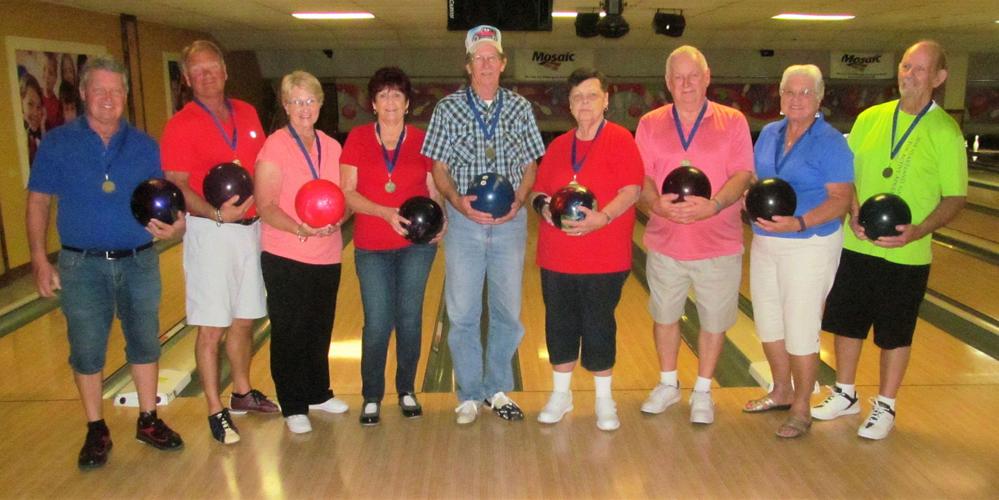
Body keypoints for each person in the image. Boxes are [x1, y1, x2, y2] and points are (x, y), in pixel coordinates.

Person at [26, 55, 185, 469]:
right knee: (87, 348)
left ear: (127, 95)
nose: (109, 98)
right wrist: (40, 260)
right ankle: (96, 428)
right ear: (82, 93)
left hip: (139, 260)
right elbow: (38, 201)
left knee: (146, 341)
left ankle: (148, 419)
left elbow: (166, 201)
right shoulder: (58, 143)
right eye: (100, 90)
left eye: (116, 91)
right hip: (82, 265)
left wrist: (176, 227)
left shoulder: (146, 145)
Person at [816, 40, 967, 440]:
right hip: (857, 243)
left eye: (920, 69)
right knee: (846, 322)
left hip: (908, 252)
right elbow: (847, 176)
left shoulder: (946, 132)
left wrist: (918, 230)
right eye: (905, 66)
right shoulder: (869, 118)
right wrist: (852, 209)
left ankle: (886, 405)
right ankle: (845, 392)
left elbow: (956, 197)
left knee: (894, 332)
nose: (909, 75)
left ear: (939, 77)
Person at [422, 25, 545, 425]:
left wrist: (520, 202)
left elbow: (531, 164)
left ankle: (496, 388)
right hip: (464, 224)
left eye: (493, 57)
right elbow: (438, 167)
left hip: (509, 225)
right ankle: (470, 393)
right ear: (468, 65)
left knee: (508, 313)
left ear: (503, 63)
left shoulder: (521, 108)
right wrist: (456, 200)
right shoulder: (447, 108)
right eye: (479, 57)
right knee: (462, 313)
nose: (487, 64)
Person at [162, 40, 277, 445]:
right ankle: (215, 408)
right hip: (210, 232)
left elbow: (264, 165)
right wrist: (214, 213)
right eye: (198, 71)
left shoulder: (246, 112)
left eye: (213, 68)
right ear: (188, 79)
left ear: (225, 72)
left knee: (245, 319)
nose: (207, 76)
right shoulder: (180, 124)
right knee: (212, 327)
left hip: (250, 230)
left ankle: (242, 392)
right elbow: (177, 184)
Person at [635, 45, 754, 425]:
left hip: (718, 240)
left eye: (693, 76)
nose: (686, 84)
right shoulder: (651, 122)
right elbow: (643, 177)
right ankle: (668, 384)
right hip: (666, 240)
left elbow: (742, 175)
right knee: (665, 316)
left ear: (707, 77)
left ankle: (703, 390)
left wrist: (715, 204)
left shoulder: (732, 120)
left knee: (714, 321)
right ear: (668, 82)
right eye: (678, 77)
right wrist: (656, 205)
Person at [743, 65, 853, 438]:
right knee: (769, 321)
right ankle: (781, 390)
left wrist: (800, 222)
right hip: (765, 240)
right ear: (780, 95)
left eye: (805, 93)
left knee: (800, 327)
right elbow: (759, 179)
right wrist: (750, 196)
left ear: (820, 98)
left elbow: (841, 199)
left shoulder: (831, 141)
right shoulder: (770, 133)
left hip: (810, 243)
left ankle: (803, 406)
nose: (796, 99)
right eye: (790, 92)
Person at [530, 68, 643, 431]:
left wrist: (603, 217)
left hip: (604, 256)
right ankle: (561, 396)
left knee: (598, 327)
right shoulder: (560, 145)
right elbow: (538, 191)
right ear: (569, 104)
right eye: (578, 97)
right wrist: (544, 208)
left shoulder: (621, 139)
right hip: (557, 256)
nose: (585, 103)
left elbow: (632, 190)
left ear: (606, 100)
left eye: (592, 96)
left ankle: (604, 400)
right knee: (559, 325)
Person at [341, 67, 445, 426]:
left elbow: (433, 189)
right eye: (383, 95)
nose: (390, 102)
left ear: (407, 103)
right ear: (373, 103)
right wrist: (384, 212)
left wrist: (441, 220)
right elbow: (348, 193)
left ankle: (406, 389)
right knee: (378, 322)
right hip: (371, 245)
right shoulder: (356, 137)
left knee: (410, 319)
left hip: (416, 246)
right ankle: (371, 395)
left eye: (396, 96)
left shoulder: (422, 138)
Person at [255, 70, 348, 435]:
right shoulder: (275, 146)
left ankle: (317, 392)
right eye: (295, 101)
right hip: (286, 254)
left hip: (327, 253)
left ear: (320, 105)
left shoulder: (332, 145)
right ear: (285, 105)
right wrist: (299, 228)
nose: (303, 108)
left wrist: (340, 217)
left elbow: (341, 197)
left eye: (309, 100)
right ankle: (293, 403)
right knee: (290, 329)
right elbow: (265, 204)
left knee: (319, 326)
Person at [20, 72, 45, 165]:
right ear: (20, 102)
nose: (35, 113)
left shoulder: (38, 137)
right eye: (30, 104)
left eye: (38, 107)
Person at [42, 52, 64, 131]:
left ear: (55, 78)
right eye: (44, 69)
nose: (46, 75)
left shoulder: (58, 106)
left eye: (50, 73)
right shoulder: (36, 96)